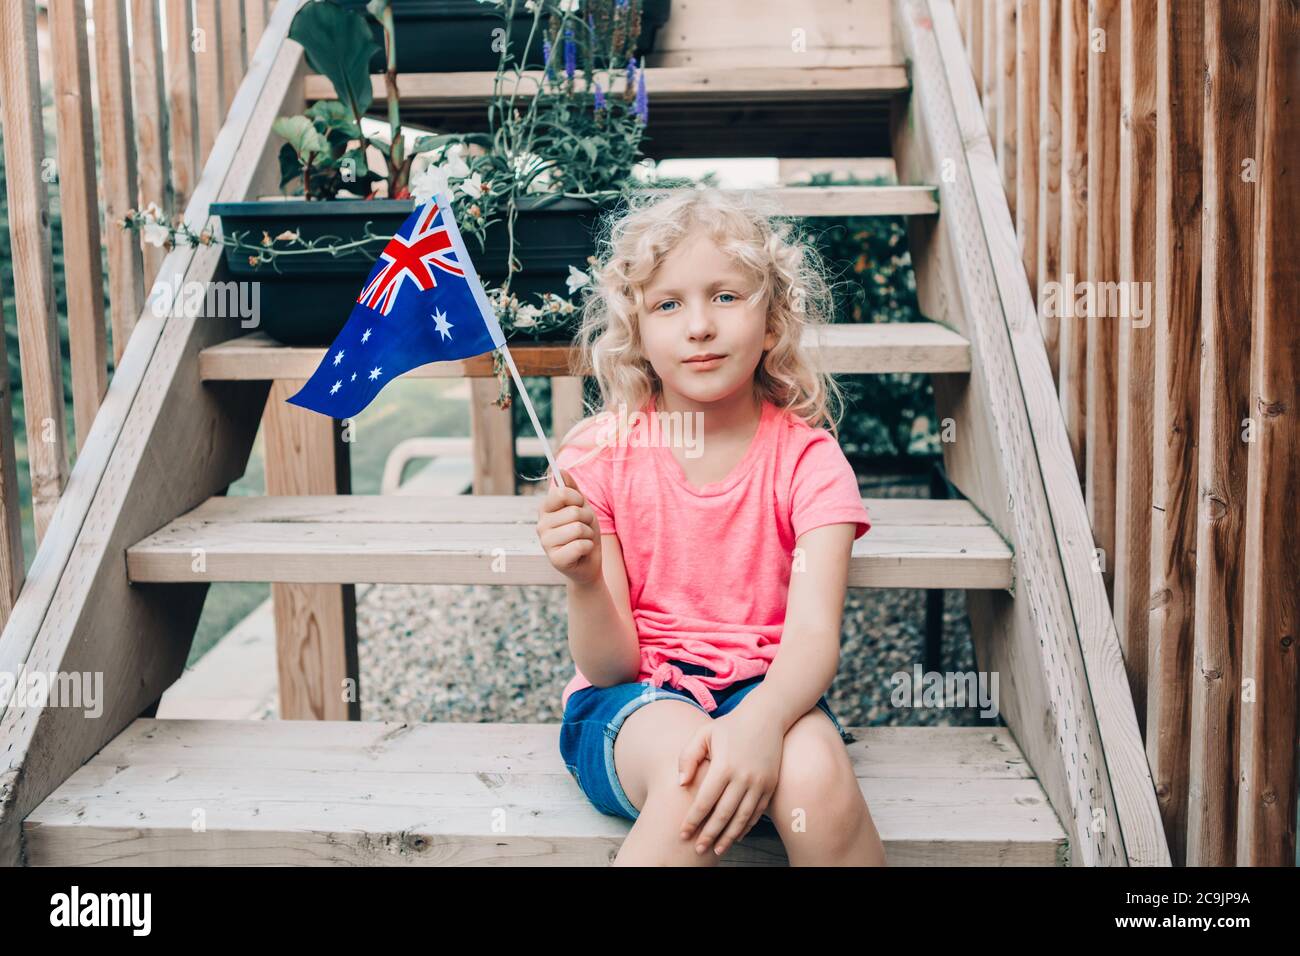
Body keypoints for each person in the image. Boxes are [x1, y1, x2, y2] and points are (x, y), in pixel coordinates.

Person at [534, 188, 887, 866]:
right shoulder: (598, 457)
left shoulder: (809, 462)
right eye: (669, 304)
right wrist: (583, 584)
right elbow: (612, 664)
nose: (698, 326)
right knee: (691, 772)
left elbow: (813, 638)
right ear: (636, 328)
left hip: (768, 688)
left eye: (726, 296)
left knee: (819, 773)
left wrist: (758, 723)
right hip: (633, 701)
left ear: (774, 322)